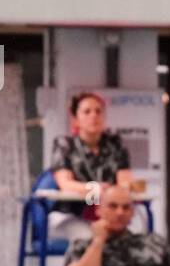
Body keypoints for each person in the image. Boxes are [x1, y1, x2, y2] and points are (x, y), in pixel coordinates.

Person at [48, 91, 134, 243]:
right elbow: (65, 184)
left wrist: (117, 195)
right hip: (70, 213)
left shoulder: (115, 144)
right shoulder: (64, 144)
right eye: (87, 112)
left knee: (129, 240)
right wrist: (96, 189)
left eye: (98, 111)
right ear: (75, 119)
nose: (93, 115)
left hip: (107, 213)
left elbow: (124, 182)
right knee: (91, 238)